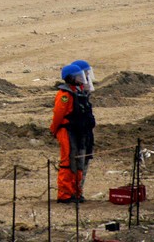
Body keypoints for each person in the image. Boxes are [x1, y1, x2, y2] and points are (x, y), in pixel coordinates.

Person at [50, 63, 94, 203]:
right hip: (67, 131)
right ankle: (65, 194)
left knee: (78, 162)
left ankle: (76, 191)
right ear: (70, 78)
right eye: (78, 77)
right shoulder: (64, 95)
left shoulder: (79, 92)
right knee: (67, 162)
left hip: (78, 132)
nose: (82, 79)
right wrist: (54, 129)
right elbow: (58, 114)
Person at [71, 59, 96, 194]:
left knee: (84, 161)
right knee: (77, 163)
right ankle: (75, 191)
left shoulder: (82, 95)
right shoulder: (72, 95)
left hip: (86, 134)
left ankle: (78, 190)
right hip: (78, 135)